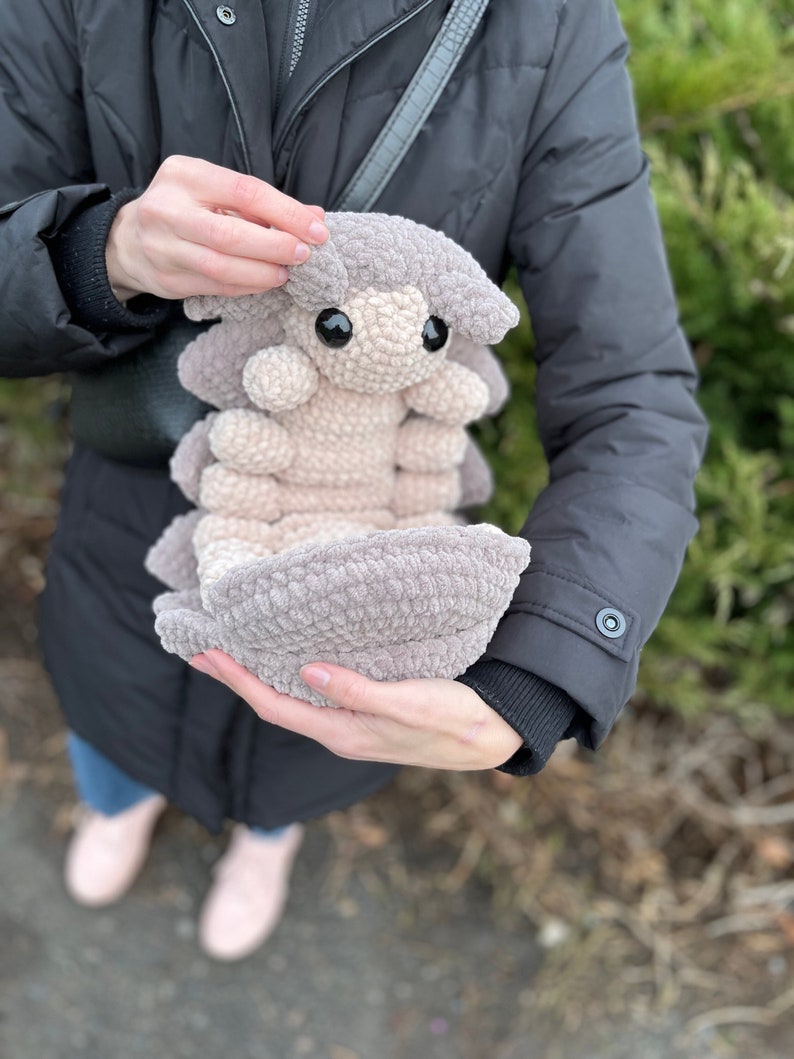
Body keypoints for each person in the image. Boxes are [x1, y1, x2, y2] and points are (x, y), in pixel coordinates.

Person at [0, 0, 707, 961]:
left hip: (367, 577)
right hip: (128, 545)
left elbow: (633, 395)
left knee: (308, 749)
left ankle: (265, 842)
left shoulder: (550, 25)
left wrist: (544, 671)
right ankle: (119, 803)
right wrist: (100, 252)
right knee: (111, 730)